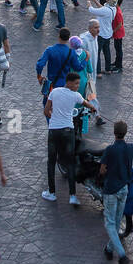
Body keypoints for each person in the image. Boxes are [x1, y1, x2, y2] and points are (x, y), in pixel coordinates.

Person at [99, 119, 133, 264]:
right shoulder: (131, 148)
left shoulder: (110, 150)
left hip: (111, 190)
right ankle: (109, 248)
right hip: (124, 189)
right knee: (116, 221)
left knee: (109, 223)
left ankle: (122, 255)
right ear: (125, 133)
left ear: (114, 133)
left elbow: (102, 170)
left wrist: (106, 172)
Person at [42, 70, 86, 205]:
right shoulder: (76, 96)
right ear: (69, 83)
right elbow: (86, 104)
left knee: (51, 161)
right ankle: (72, 195)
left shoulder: (54, 92)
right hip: (68, 131)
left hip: (54, 131)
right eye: (76, 83)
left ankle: (51, 192)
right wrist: (94, 109)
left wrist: (53, 117)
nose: (78, 86)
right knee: (70, 162)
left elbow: (46, 110)